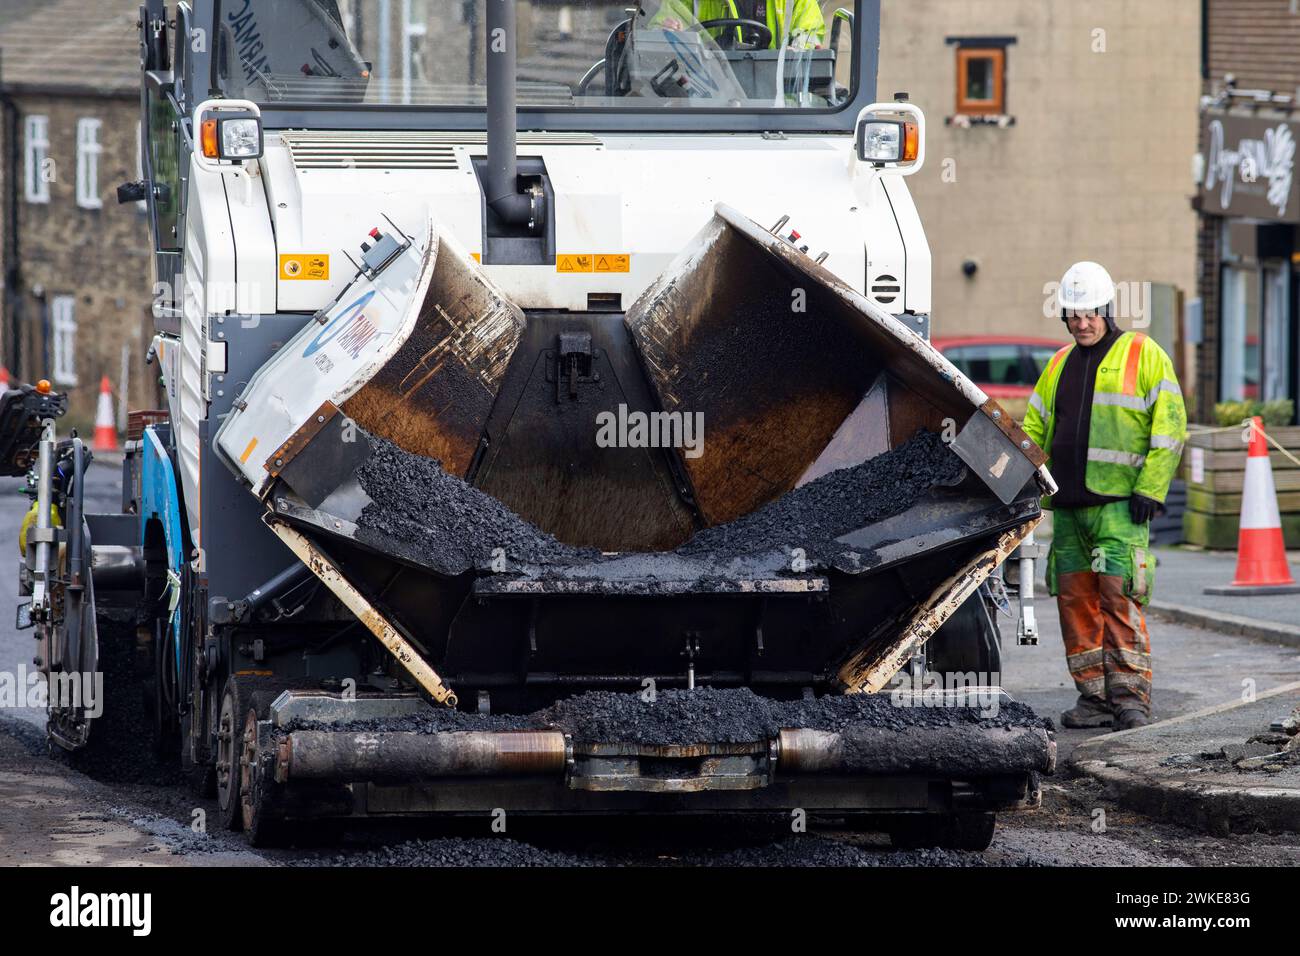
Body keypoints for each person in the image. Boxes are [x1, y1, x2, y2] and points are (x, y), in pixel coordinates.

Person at [1022, 262, 1187, 731]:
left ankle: (1130, 699)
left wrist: (1151, 489)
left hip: (1121, 507)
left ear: (1107, 311)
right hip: (1071, 511)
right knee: (1075, 604)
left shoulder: (1143, 353)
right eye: (1073, 315)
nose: (1082, 323)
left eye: (1090, 313)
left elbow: (1170, 424)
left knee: (1120, 600)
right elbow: (1033, 430)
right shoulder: (1058, 364)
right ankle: (1094, 699)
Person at [653, 0, 826, 50]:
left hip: (782, 105)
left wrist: (799, 48)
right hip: (706, 98)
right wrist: (666, 30)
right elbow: (657, 28)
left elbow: (810, 33)